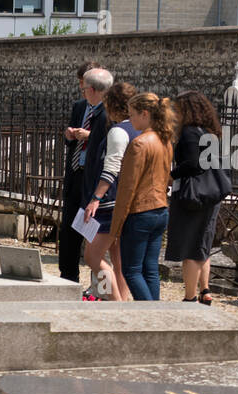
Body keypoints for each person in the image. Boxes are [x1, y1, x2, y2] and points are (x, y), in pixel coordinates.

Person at [110, 92, 176, 301]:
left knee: (131, 270)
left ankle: (149, 313)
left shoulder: (139, 144)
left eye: (132, 115)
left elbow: (127, 188)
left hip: (140, 212)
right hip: (160, 209)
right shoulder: (165, 141)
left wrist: (116, 226)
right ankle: (154, 318)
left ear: (144, 114)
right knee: (150, 269)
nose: (130, 120)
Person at [81, 80, 137, 302]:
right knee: (118, 257)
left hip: (110, 200)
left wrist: (96, 197)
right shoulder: (139, 129)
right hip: (128, 200)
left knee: (93, 257)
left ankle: (113, 300)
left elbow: (111, 168)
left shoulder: (118, 131)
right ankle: (122, 298)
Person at [167, 90, 224, 304]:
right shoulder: (210, 131)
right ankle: (205, 290)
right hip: (210, 192)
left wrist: (171, 175)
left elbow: (193, 164)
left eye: (178, 108)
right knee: (202, 243)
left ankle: (189, 297)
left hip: (194, 195)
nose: (175, 113)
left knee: (190, 247)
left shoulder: (190, 132)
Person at [59, 60, 103, 285]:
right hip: (76, 174)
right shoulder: (79, 107)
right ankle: (68, 281)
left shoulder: (108, 112)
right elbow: (71, 138)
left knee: (100, 247)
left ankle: (104, 291)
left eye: (84, 85)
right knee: (68, 233)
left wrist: (91, 136)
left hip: (97, 182)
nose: (81, 89)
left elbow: (111, 147)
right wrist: (69, 135)